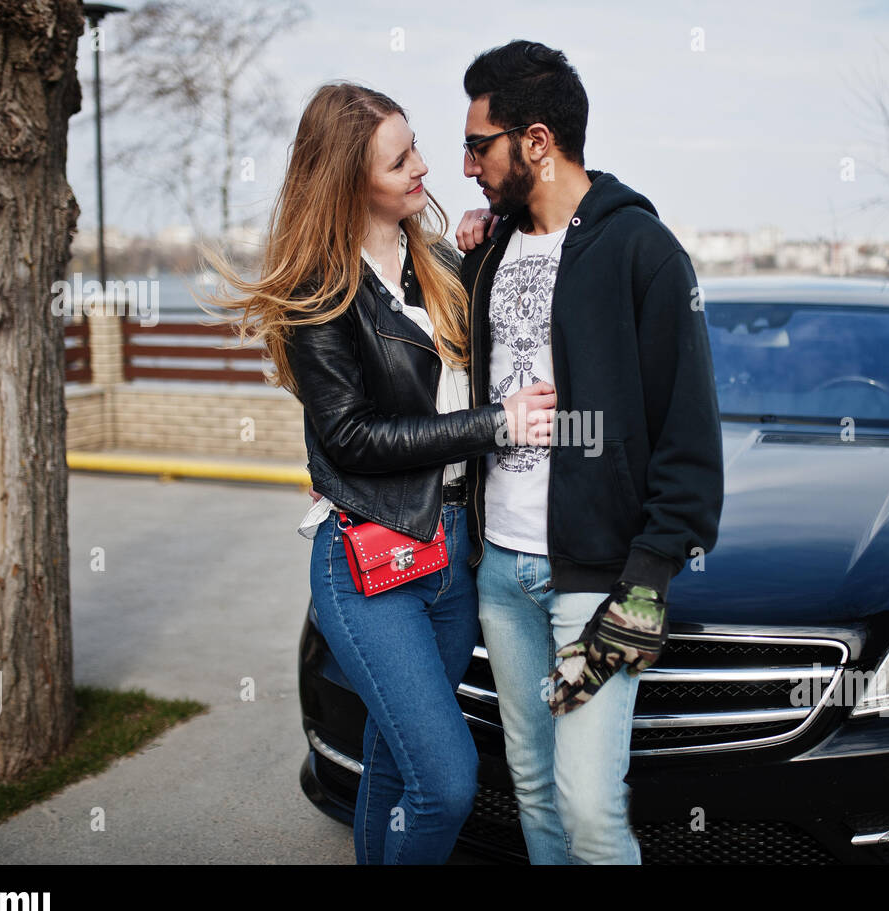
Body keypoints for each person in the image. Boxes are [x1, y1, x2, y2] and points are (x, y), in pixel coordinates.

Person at [203, 82, 556, 864]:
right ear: (347, 178)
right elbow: (351, 434)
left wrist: (484, 242)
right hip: (370, 561)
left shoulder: (434, 262)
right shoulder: (318, 294)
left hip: (453, 554)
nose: (425, 168)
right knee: (449, 779)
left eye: (417, 147)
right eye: (400, 161)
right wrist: (497, 425)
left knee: (395, 768)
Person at [452, 40, 724, 864]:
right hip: (502, 569)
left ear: (536, 141)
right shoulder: (490, 251)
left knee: (591, 809)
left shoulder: (641, 250)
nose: (467, 165)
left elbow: (688, 435)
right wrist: (467, 243)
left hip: (594, 584)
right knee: (531, 785)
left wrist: (645, 581)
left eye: (479, 145)